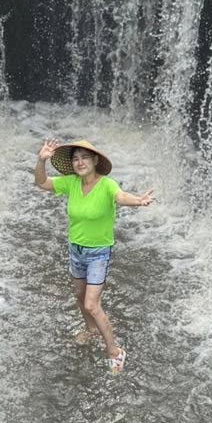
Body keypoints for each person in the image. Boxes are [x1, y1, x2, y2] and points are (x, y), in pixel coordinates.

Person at [33, 138, 155, 372]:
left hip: (98, 253)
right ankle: (91, 330)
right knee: (79, 296)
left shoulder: (107, 185)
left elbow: (120, 197)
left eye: (85, 158)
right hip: (76, 249)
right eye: (76, 159)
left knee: (91, 304)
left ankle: (115, 351)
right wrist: (41, 161)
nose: (80, 163)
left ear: (96, 160)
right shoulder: (71, 183)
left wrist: (138, 201)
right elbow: (41, 182)